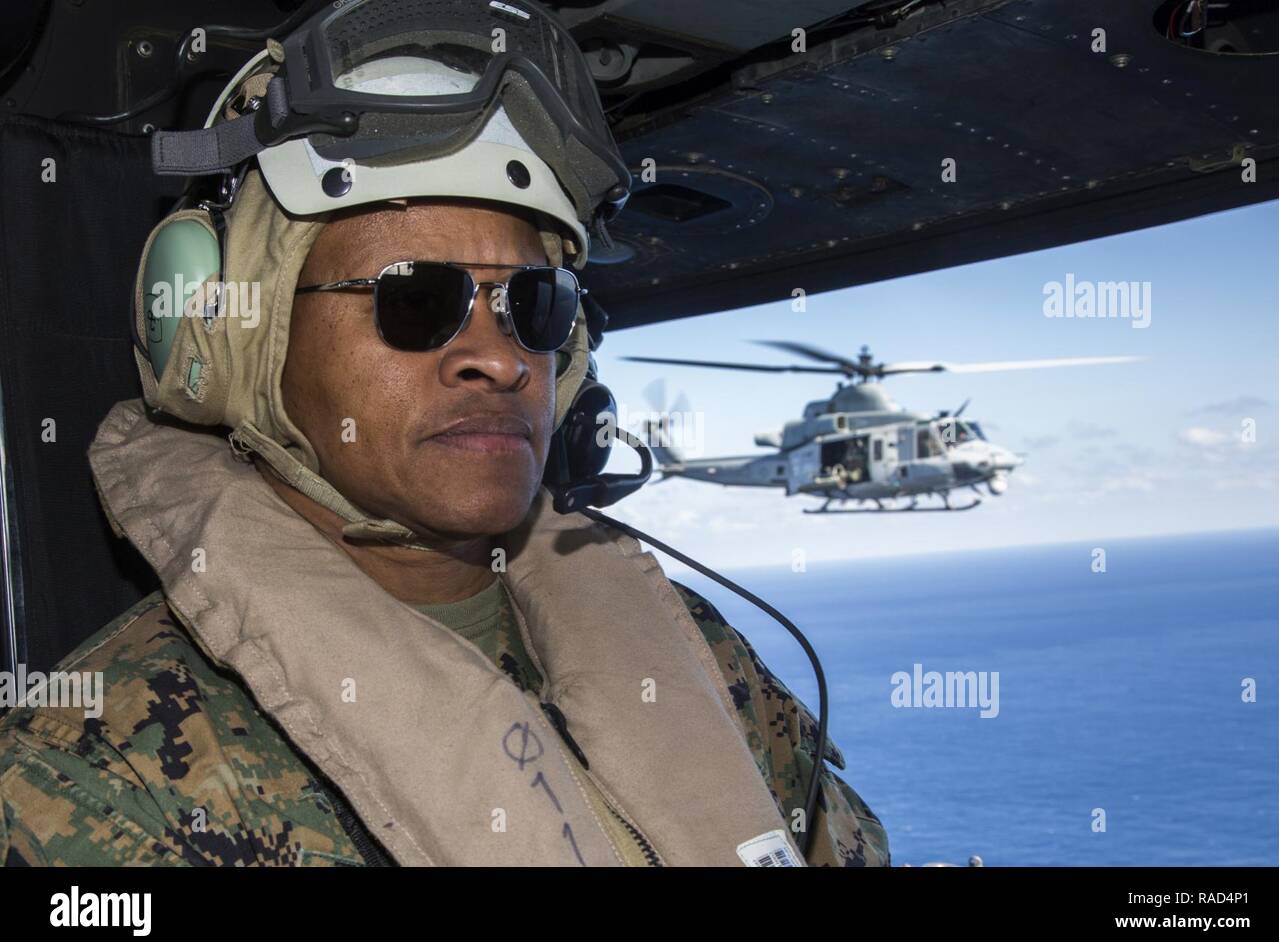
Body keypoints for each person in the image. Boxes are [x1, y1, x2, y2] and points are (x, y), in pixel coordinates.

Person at [0, 0, 888, 867]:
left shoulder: (697, 652)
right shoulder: (96, 780)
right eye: (416, 299)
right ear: (237, 336)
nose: (498, 360)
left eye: (534, 305)